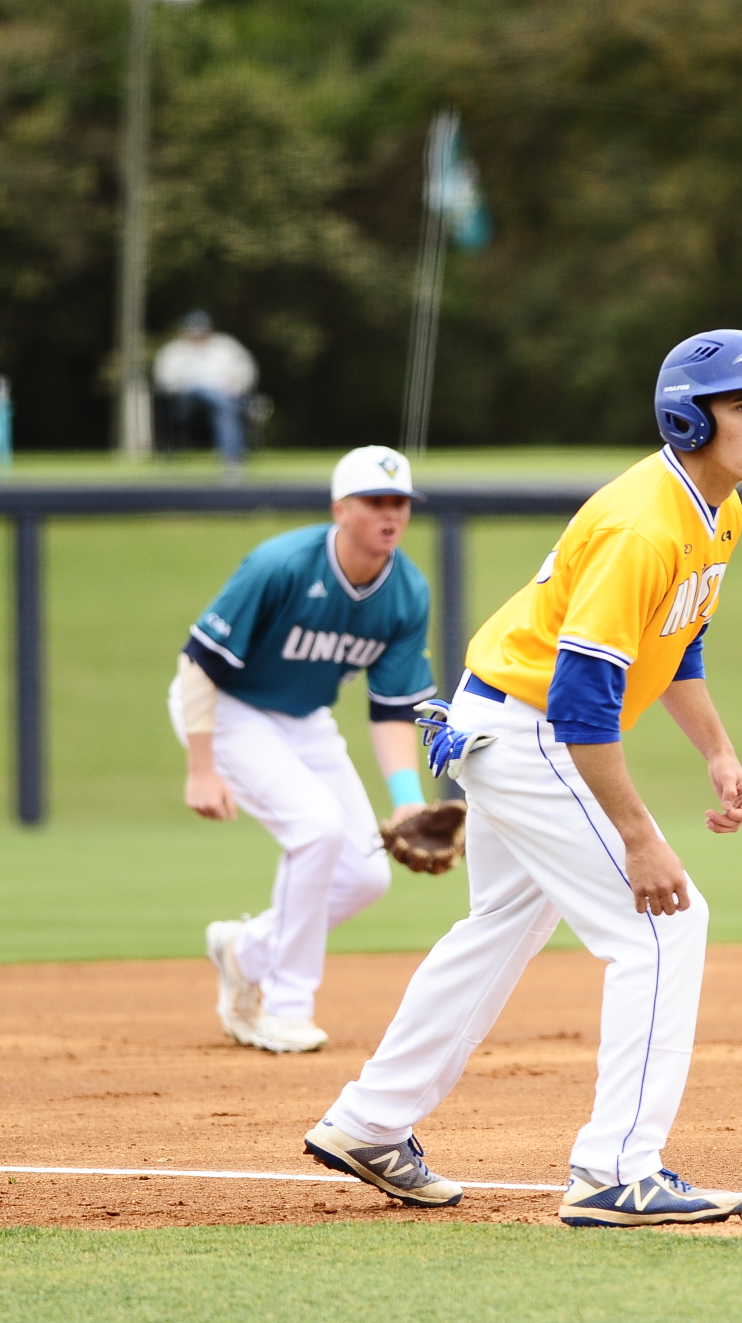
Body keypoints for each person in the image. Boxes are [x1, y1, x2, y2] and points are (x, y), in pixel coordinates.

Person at [304, 329, 742, 1226]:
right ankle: (617, 1170)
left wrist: (718, 751)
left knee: (501, 925)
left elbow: (678, 642)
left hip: (505, 719)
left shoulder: (714, 509)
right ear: (689, 416)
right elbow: (581, 705)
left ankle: (371, 1122)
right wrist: (642, 839)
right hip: (532, 730)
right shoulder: (642, 524)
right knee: (664, 922)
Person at [169, 445, 439, 1053]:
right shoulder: (281, 564)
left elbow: (393, 707)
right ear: (340, 509)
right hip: (227, 709)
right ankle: (286, 1006)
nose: (390, 513)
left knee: (367, 875)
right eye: (375, 501)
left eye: (400, 502)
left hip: (303, 720)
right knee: (316, 829)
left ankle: (244, 951)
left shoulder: (406, 592)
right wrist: (201, 766)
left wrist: (406, 803)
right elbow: (199, 667)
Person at [153, 310, 257, 476]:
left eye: (201, 331)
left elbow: (246, 371)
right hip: (186, 399)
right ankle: (233, 460)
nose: (197, 336)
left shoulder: (226, 346)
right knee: (223, 403)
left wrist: (238, 386)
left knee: (224, 409)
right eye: (193, 332)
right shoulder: (174, 351)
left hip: (225, 395)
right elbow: (164, 381)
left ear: (210, 330)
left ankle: (231, 460)